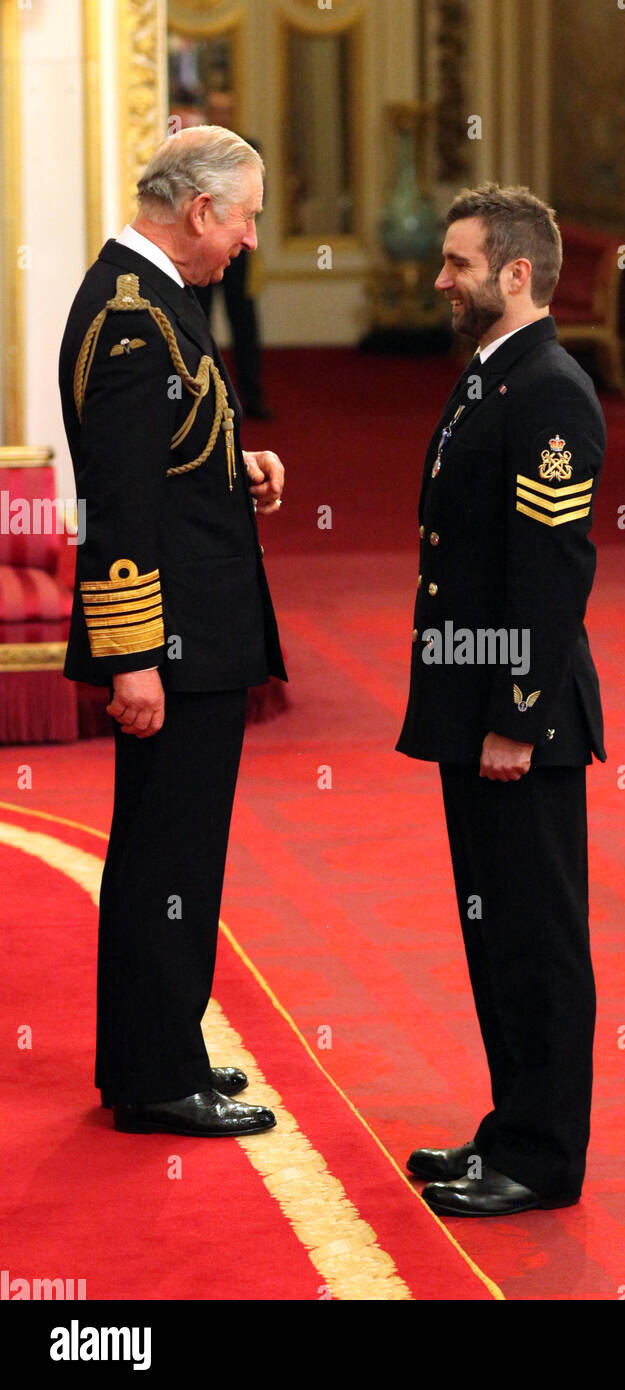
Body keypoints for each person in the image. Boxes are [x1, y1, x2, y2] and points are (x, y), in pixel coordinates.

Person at [59, 125, 287, 1134]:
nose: (246, 243)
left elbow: (162, 456)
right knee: (167, 854)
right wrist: (134, 655)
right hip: (174, 641)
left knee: (180, 851)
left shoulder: (156, 300)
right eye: (244, 221)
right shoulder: (131, 318)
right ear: (202, 211)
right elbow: (119, 504)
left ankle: (164, 1045)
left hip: (196, 627)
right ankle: (155, 1077)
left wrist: (232, 465)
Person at [397, 184, 607, 1215]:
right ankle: (506, 1129)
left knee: (537, 937)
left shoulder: (550, 389)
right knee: (496, 933)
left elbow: (551, 573)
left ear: (514, 273)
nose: (440, 280)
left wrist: (517, 715)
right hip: (470, 699)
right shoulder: (491, 377)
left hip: (517, 714)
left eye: (457, 263)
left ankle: (541, 1155)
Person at [192, 91, 271, 419]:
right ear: (208, 112)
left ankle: (251, 397)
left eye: (227, 110)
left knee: (245, 325)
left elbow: (258, 200)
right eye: (216, 110)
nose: (222, 115)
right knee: (199, 324)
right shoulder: (194, 152)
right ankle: (203, 399)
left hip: (238, 250)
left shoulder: (248, 150)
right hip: (202, 249)